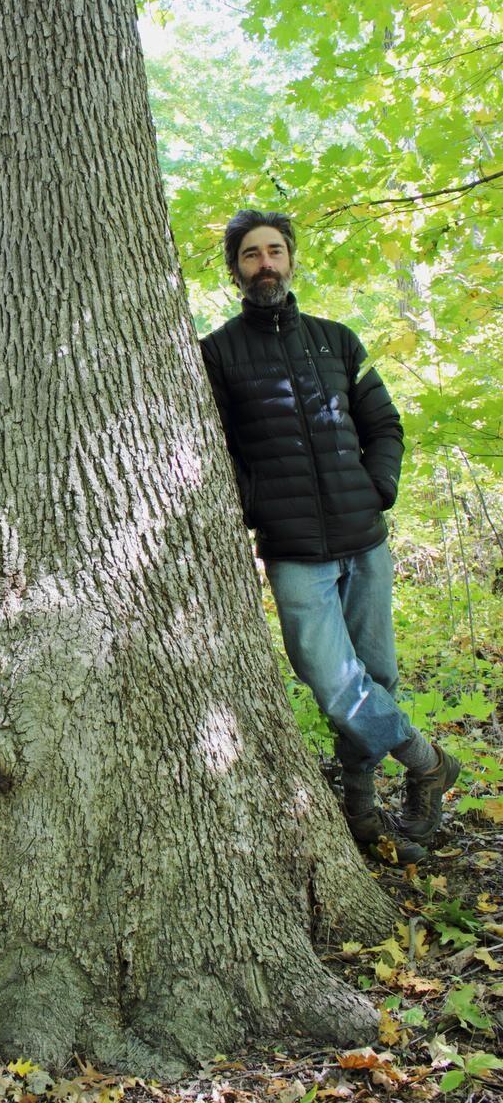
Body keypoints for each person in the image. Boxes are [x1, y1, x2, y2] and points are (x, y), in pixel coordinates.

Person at [200, 208, 459, 865]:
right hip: (293, 552)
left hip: (365, 540)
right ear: (236, 269)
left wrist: (378, 488)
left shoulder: (338, 341)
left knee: (375, 676)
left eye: (276, 251)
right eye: (252, 254)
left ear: (291, 259)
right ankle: (428, 763)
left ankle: (364, 811)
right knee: (332, 679)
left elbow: (386, 426)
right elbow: (215, 449)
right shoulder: (219, 353)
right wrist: (255, 502)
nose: (266, 263)